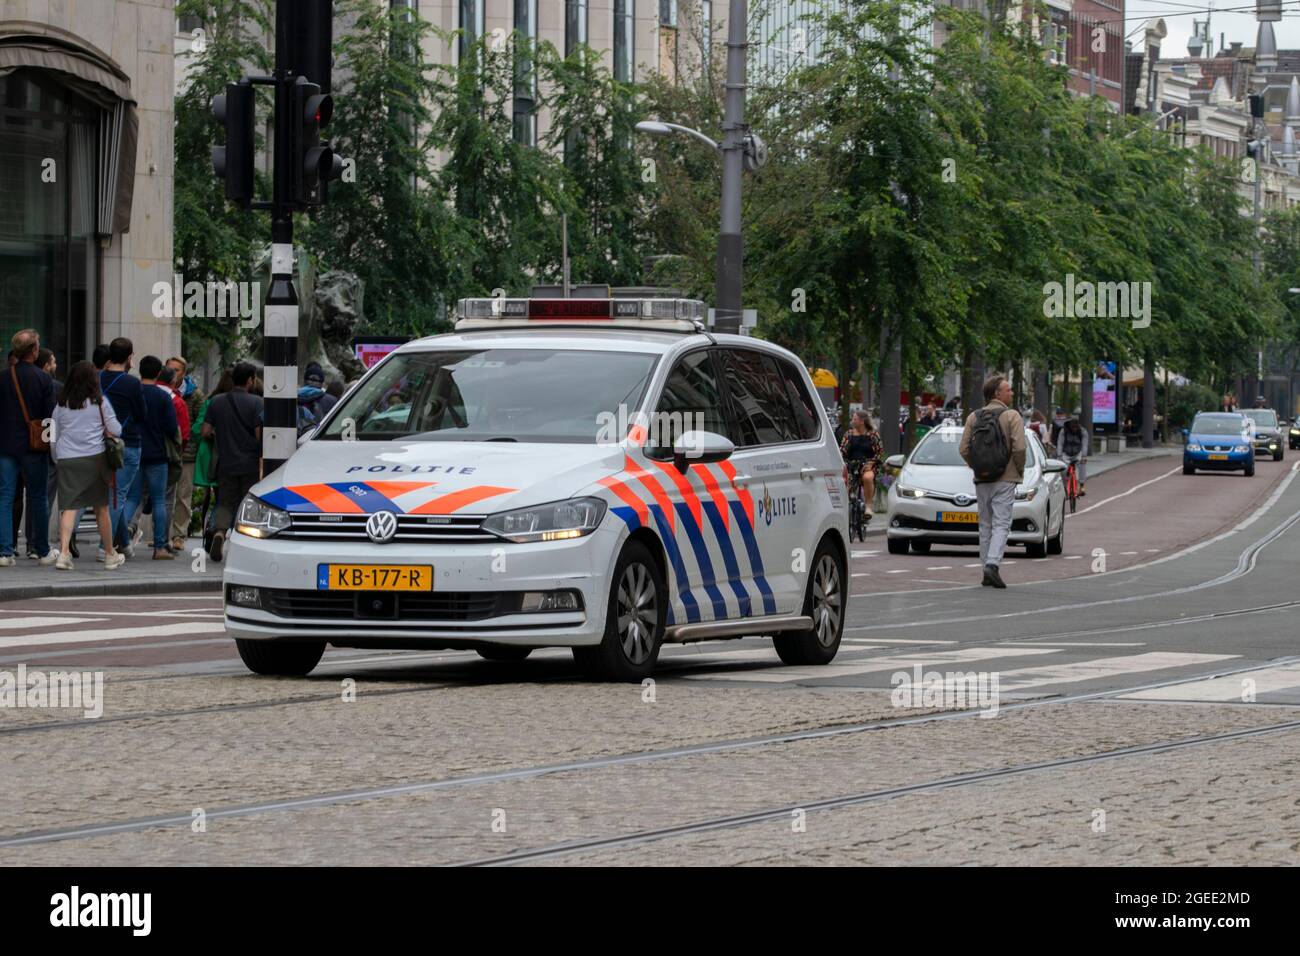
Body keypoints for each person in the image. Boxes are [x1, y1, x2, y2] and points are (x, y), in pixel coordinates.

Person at [50, 361, 125, 571]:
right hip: (95, 459)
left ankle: (64, 554)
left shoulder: (60, 404)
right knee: (101, 508)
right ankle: (110, 554)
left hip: (67, 459)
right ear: (93, 380)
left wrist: (57, 457)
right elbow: (116, 429)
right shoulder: (100, 402)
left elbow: (53, 436)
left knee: (69, 507)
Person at [959, 375, 1026, 590]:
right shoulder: (1011, 416)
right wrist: (1018, 469)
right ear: (997, 393)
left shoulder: (973, 417)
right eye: (1008, 389)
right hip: (1005, 479)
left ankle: (985, 568)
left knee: (985, 524)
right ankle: (992, 565)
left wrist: (977, 466)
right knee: (1001, 524)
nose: (1011, 393)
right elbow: (1020, 448)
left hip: (982, 479)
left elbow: (963, 449)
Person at [0, 330, 58, 567]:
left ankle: (5, 551)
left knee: (4, 497)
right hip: (34, 448)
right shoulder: (43, 379)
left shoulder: (3, 377)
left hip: (5, 445)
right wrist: (51, 448)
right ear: (34, 351)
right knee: (38, 497)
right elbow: (49, 418)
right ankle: (41, 549)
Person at [202, 362, 263, 562]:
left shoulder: (217, 401)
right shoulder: (257, 403)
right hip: (249, 463)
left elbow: (205, 431)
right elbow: (258, 436)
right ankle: (245, 543)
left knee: (225, 502)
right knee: (248, 503)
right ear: (250, 380)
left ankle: (220, 532)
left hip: (226, 463)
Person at [100, 337, 147, 556]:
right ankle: (105, 547)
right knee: (117, 495)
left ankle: (124, 544)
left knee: (112, 494)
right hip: (127, 443)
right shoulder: (132, 383)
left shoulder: (98, 378)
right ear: (129, 358)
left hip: (100, 442)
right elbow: (141, 414)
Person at [136, 356, 179, 560]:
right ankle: (160, 547)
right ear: (158, 373)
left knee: (131, 499)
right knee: (160, 500)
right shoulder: (163, 397)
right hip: (157, 454)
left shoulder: (134, 392)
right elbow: (172, 428)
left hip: (135, 451)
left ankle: (117, 541)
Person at [165, 356, 203, 551]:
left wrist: (190, 444)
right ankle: (161, 535)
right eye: (170, 369)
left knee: (183, 495)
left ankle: (179, 535)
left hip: (186, 453)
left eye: (177, 370)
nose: (173, 372)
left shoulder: (194, 394)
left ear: (184, 373)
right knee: (163, 495)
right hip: (164, 452)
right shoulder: (161, 391)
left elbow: (199, 421)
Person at [840, 410, 884, 522]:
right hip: (851, 465)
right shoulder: (849, 434)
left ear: (862, 421)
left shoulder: (873, 435)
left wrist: (872, 463)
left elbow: (880, 452)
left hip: (868, 464)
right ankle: (846, 508)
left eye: (854, 419)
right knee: (844, 482)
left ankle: (868, 506)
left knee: (867, 478)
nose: (852, 421)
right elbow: (842, 451)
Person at [1057, 417, 1088, 495]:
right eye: (1073, 427)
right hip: (1065, 454)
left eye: (1076, 427)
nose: (1074, 429)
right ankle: (1065, 486)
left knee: (1082, 465)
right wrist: (1059, 455)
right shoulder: (1063, 431)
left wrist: (1084, 456)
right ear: (1070, 426)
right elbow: (1060, 443)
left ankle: (1082, 486)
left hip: (1077, 453)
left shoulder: (1083, 432)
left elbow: (1085, 445)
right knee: (1063, 469)